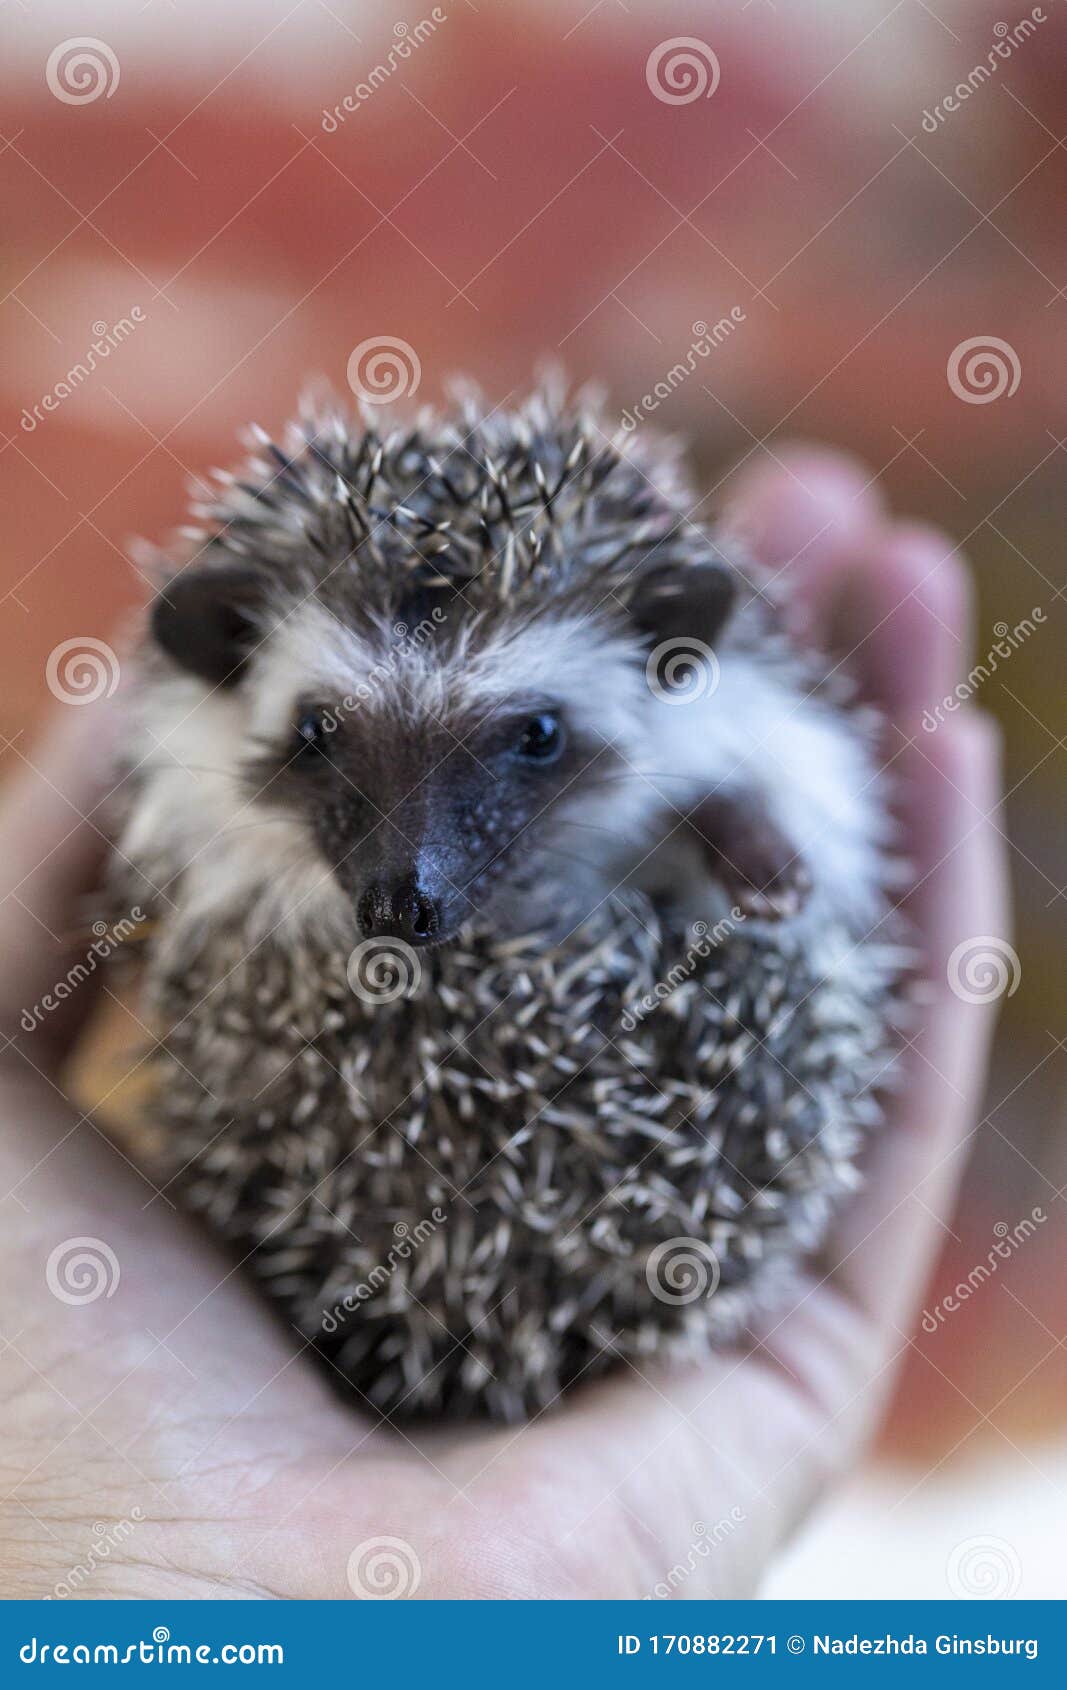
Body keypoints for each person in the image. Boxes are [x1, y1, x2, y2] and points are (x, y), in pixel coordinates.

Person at [0, 448, 1006, 1599]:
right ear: (225, 658)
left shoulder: (715, 735)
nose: (411, 868)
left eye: (527, 742)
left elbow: (769, 804)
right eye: (329, 740)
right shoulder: (217, 825)